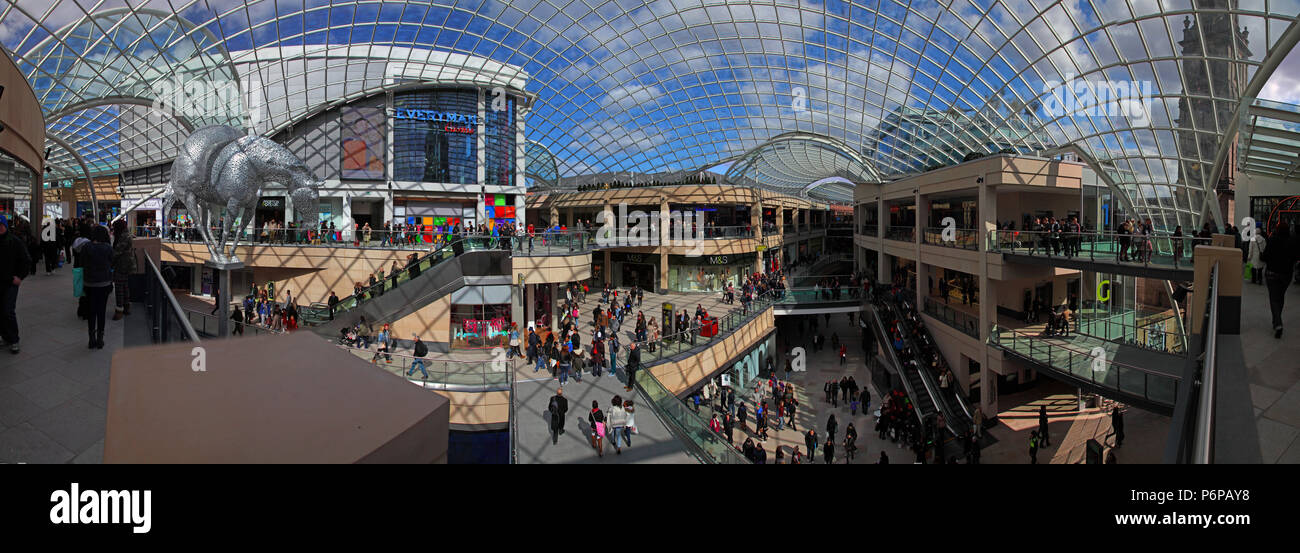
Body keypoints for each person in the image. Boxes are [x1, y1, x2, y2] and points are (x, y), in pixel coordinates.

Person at [1263, 221, 1300, 338]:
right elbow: (1295, 257)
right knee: (1280, 296)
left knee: (1274, 298)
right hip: (1286, 274)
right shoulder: (1291, 242)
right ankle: (1277, 319)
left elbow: (1265, 256)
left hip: (1272, 273)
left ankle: (1277, 323)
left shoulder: (1272, 240)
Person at [0, 215, 31, 353]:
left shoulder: (14, 241)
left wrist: (19, 277)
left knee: (8, 310)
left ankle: (14, 339)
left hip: (11, 283)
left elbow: (26, 260)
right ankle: (5, 336)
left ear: (5, 226)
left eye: (1, 225)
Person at [80, 225, 113, 349]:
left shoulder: (86, 247)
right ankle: (100, 338)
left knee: (91, 311)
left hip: (89, 283)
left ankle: (91, 339)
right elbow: (112, 262)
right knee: (101, 311)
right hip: (104, 283)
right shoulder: (108, 248)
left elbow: (81, 262)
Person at [110, 220, 135, 320]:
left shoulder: (123, 236)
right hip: (126, 265)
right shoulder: (126, 234)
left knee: (119, 288)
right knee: (125, 286)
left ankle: (119, 310)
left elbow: (117, 252)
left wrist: (110, 262)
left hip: (122, 265)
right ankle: (126, 306)